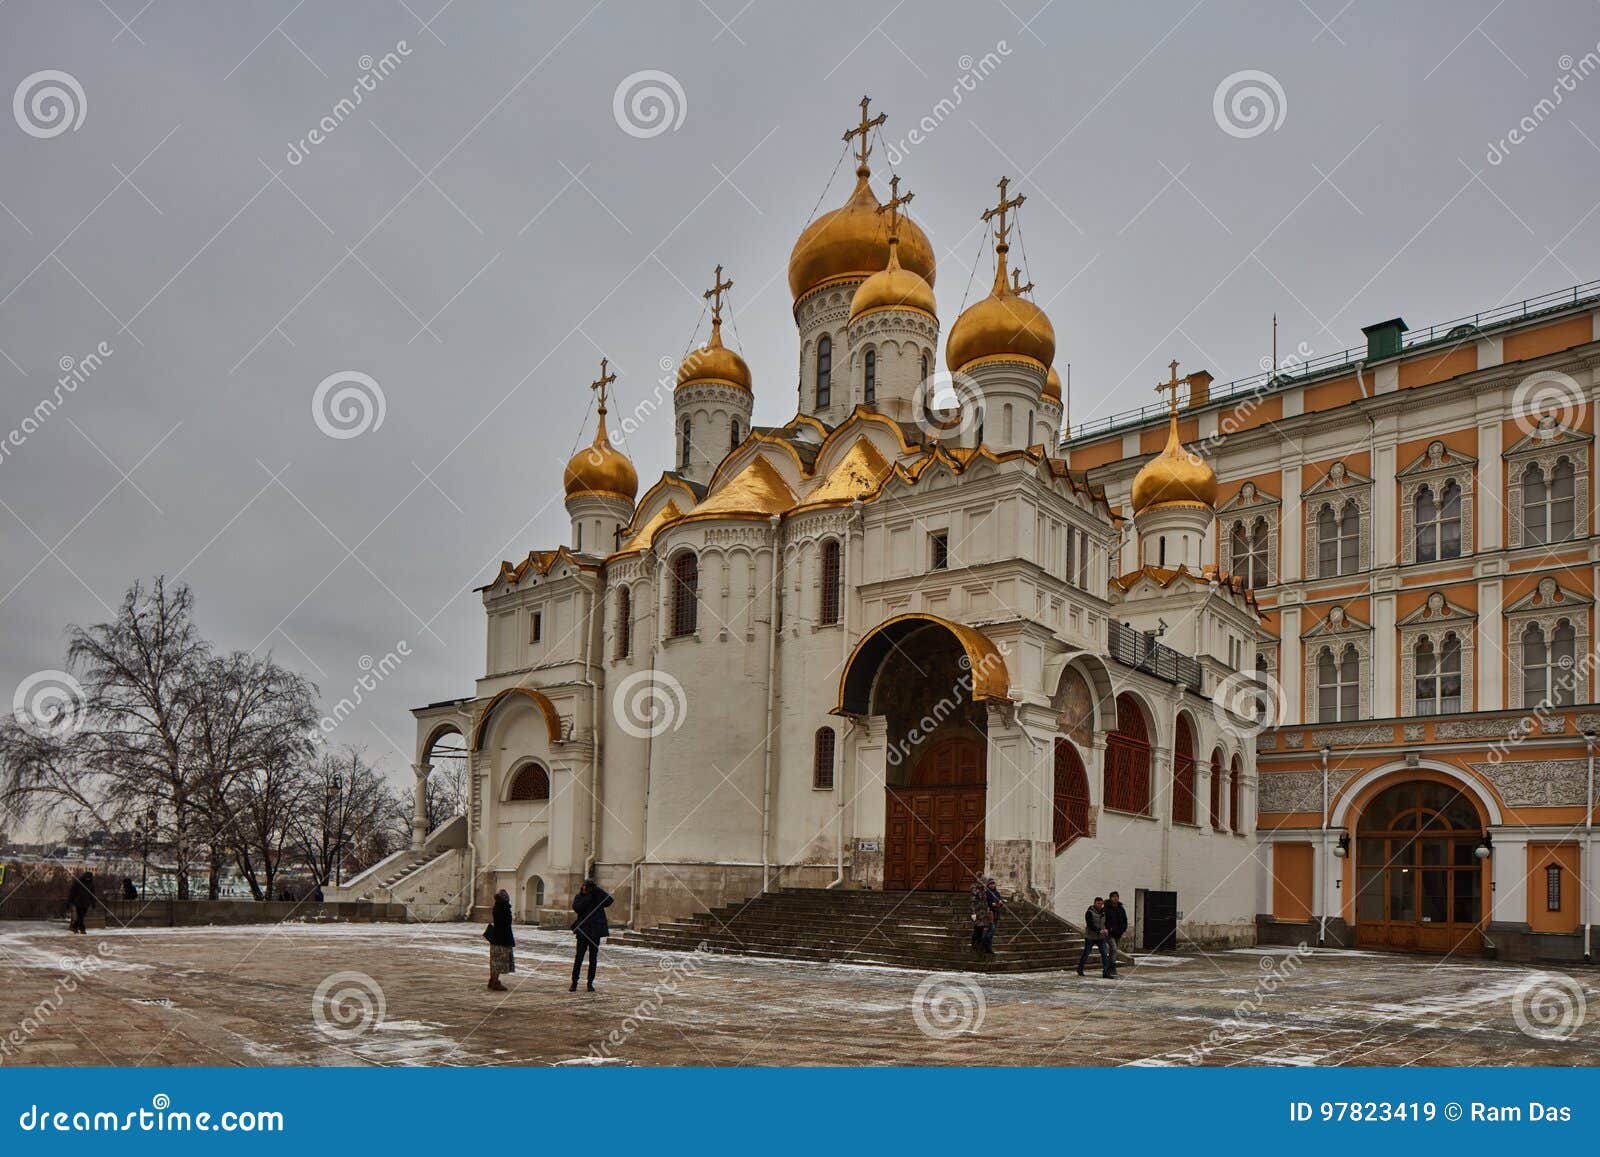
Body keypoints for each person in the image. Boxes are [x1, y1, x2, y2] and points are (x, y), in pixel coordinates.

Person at [570, 877, 613, 992]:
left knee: (593, 959)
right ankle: (574, 982)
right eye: (584, 886)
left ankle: (590, 983)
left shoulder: (597, 897)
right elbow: (577, 908)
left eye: (587, 886)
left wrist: (598, 890)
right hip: (583, 932)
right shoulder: (580, 897)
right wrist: (588, 896)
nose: (585, 888)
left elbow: (610, 900)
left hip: (595, 932)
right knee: (578, 958)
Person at [484, 888, 515, 991]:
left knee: (494, 961)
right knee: (498, 961)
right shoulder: (504, 908)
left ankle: (492, 980)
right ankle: (495, 982)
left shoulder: (497, 907)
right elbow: (506, 923)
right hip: (502, 938)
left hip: (497, 937)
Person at [1077, 896, 1114, 978]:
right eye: (1098, 903)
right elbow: (1090, 924)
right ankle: (1080, 969)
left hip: (1101, 937)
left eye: (1101, 903)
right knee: (1086, 953)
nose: (1099, 905)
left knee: (1104, 954)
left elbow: (1107, 922)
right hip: (1090, 936)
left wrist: (1107, 929)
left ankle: (1106, 972)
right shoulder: (1089, 912)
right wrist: (1098, 930)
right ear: (1094, 903)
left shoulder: (1104, 913)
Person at [1103, 890, 1127, 976]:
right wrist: (1107, 929)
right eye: (1113, 897)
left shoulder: (1121, 908)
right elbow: (1103, 920)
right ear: (1110, 898)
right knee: (1113, 948)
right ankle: (1112, 968)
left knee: (1114, 950)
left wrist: (1123, 929)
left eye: (1117, 896)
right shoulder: (1106, 908)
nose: (1115, 898)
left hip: (1118, 933)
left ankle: (1109, 968)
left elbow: (1124, 920)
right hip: (1109, 933)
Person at [969, 877, 995, 957]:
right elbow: (972, 902)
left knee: (981, 928)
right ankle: (974, 944)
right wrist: (973, 912)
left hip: (983, 913)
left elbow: (985, 902)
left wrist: (987, 910)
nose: (985, 884)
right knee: (977, 928)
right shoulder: (975, 890)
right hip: (978, 913)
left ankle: (979, 945)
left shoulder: (983, 890)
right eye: (984, 882)